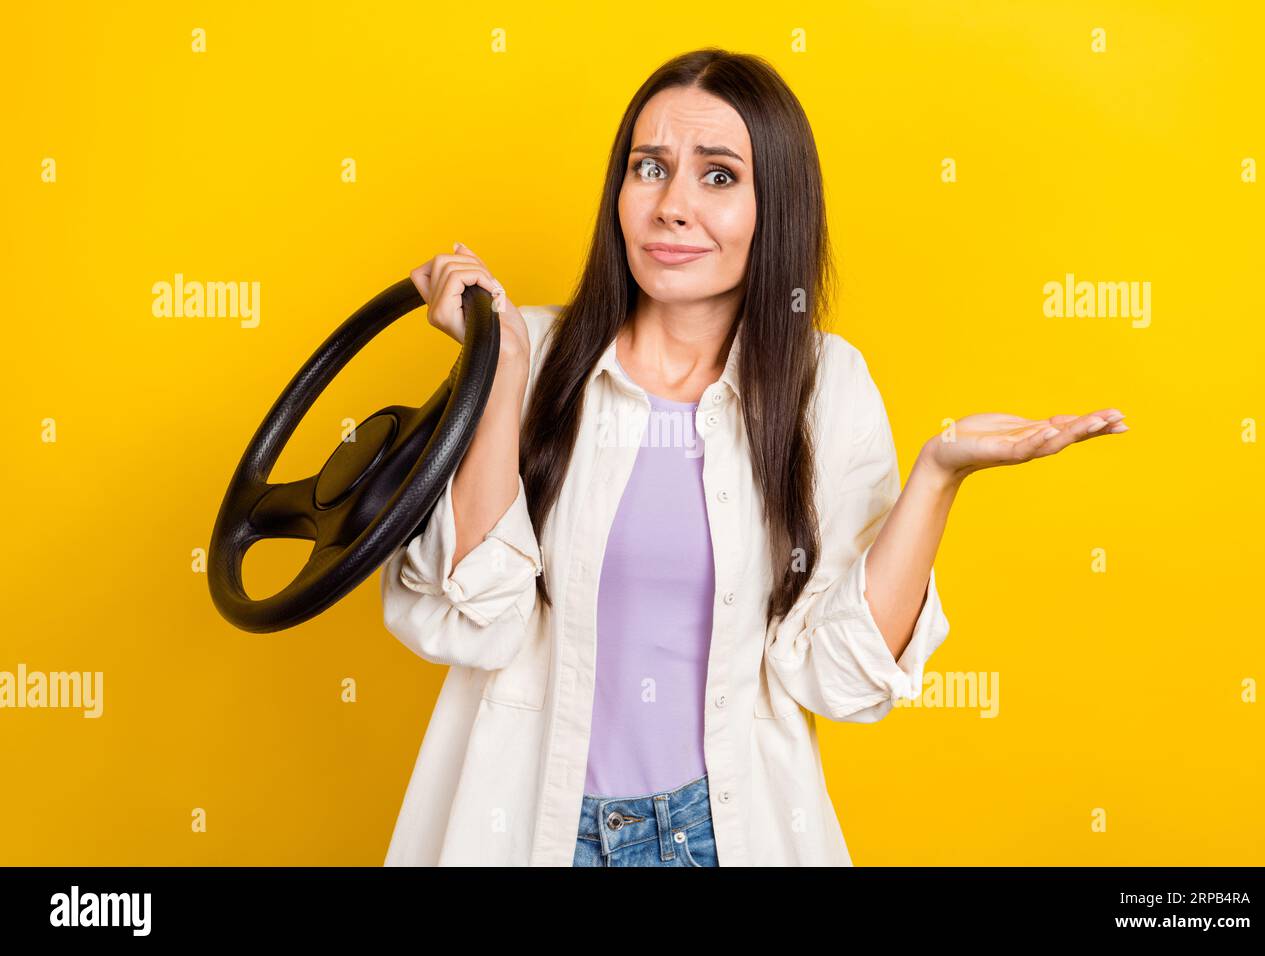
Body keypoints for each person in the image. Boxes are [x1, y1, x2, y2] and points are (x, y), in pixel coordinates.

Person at [381, 47, 1128, 867]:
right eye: (650, 167)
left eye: (719, 177)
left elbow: (835, 680)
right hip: (529, 829)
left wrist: (939, 475)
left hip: (723, 837)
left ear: (777, 205)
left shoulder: (827, 386)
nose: (672, 206)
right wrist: (503, 369)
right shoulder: (529, 353)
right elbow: (473, 624)